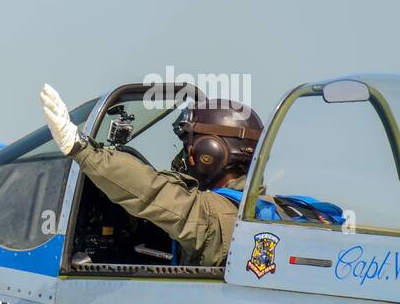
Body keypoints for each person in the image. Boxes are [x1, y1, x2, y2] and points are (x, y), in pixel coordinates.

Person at [39, 83, 263, 267]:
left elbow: (152, 192)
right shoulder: (261, 209)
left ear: (210, 152)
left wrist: (82, 149)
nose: (184, 155)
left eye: (188, 146)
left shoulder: (214, 216)